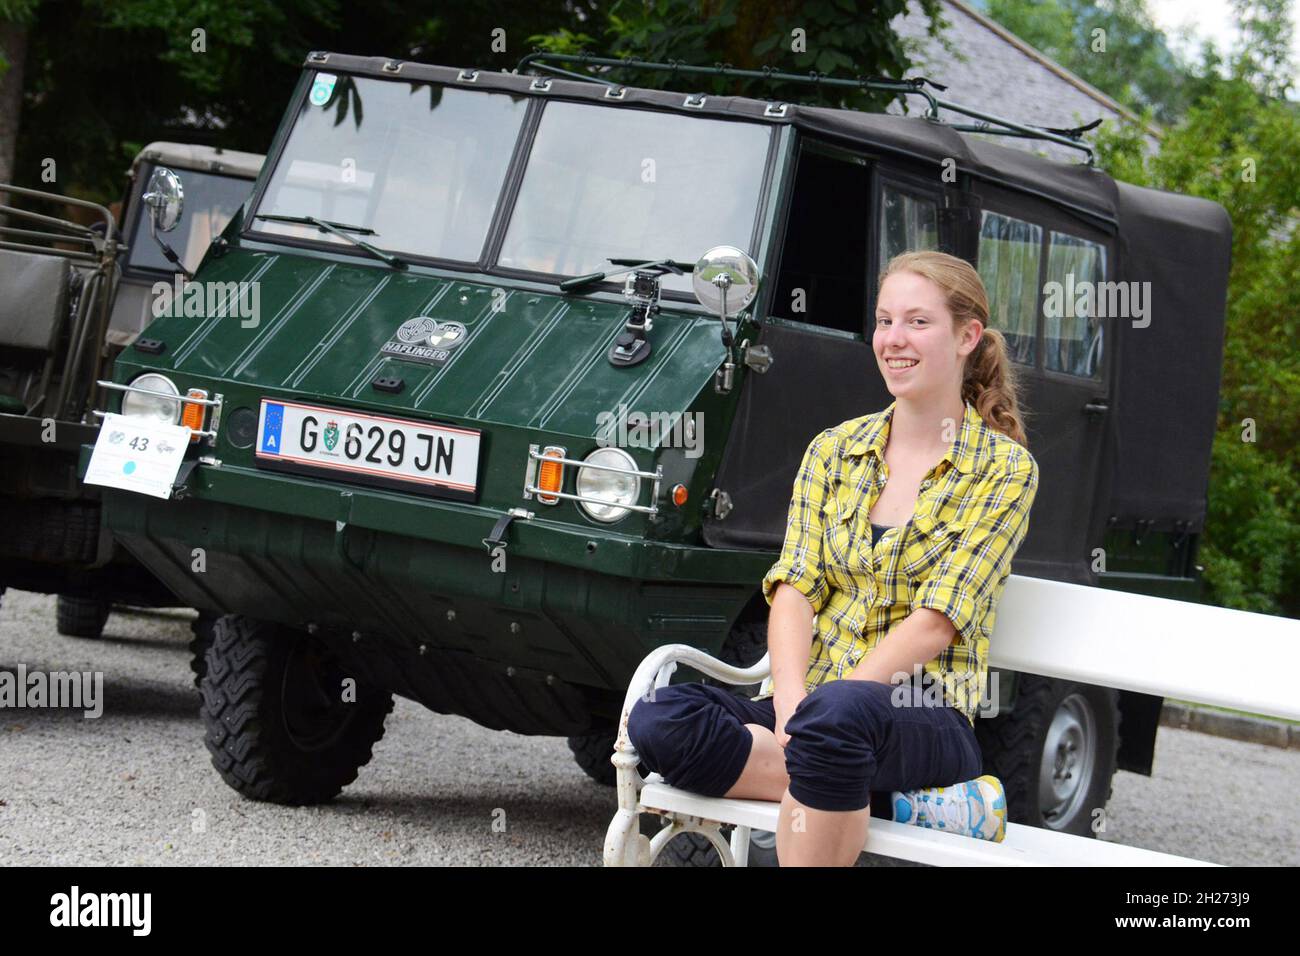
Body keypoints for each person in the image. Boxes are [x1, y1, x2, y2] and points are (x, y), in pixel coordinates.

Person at [627, 250, 1040, 866]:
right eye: (883, 320)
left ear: (967, 337)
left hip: (922, 712)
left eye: (917, 323)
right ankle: (893, 804)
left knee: (838, 716)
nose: (893, 340)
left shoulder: (1003, 469)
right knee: (661, 718)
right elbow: (794, 588)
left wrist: (821, 710)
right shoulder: (834, 450)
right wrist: (793, 703)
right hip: (816, 708)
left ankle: (837, 757)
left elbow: (939, 617)